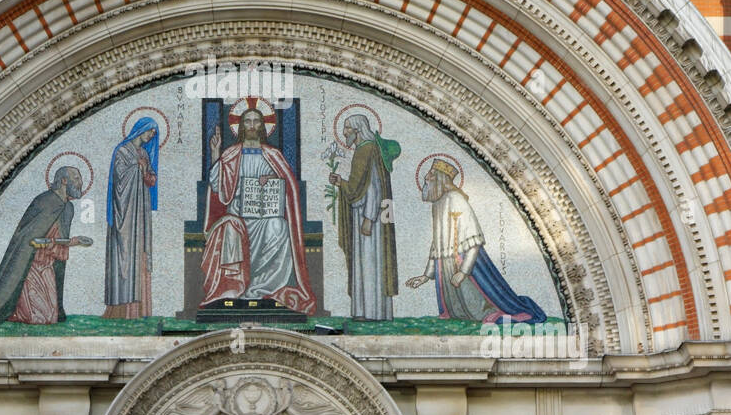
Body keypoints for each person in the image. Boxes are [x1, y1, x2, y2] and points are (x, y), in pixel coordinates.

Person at [200, 108, 315, 314]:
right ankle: (235, 288)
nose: (252, 126)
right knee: (230, 229)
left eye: (256, 121)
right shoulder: (231, 154)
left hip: (265, 215)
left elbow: (287, 185)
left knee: (278, 226)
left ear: (263, 126)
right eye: (247, 121)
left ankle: (263, 288)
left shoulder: (273, 155)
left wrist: (271, 180)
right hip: (238, 214)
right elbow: (217, 187)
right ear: (241, 126)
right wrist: (216, 154)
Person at [406, 159, 546, 324]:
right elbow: (437, 241)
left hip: (464, 260)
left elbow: (474, 240)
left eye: (430, 176)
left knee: (481, 310)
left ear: (441, 179)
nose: (426, 179)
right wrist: (426, 275)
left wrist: (463, 271)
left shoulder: (456, 199)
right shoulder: (438, 203)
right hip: (445, 263)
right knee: (459, 313)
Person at [0, 166, 93, 325]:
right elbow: (28, 238)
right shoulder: (44, 201)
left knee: (50, 317)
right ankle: (13, 307)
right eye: (76, 178)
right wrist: (60, 243)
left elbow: (59, 241)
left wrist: (72, 242)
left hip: (48, 267)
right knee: (41, 319)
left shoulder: (68, 208)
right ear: (63, 180)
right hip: (30, 268)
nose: (80, 182)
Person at [329, 113, 400, 320]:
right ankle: (364, 311)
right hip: (363, 214)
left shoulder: (367, 150)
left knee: (370, 263)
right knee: (364, 263)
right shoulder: (364, 149)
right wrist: (341, 182)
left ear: (358, 130)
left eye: (347, 129)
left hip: (369, 218)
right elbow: (357, 186)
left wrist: (369, 218)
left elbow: (374, 187)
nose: (344, 133)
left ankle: (373, 312)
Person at [103, 118, 158, 318]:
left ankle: (139, 310)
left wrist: (144, 170)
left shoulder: (143, 153)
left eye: (154, 132)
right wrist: (137, 168)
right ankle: (120, 309)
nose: (152, 135)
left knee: (140, 251)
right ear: (140, 130)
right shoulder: (122, 151)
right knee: (125, 252)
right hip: (125, 211)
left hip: (140, 212)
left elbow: (151, 179)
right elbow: (119, 180)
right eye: (150, 131)